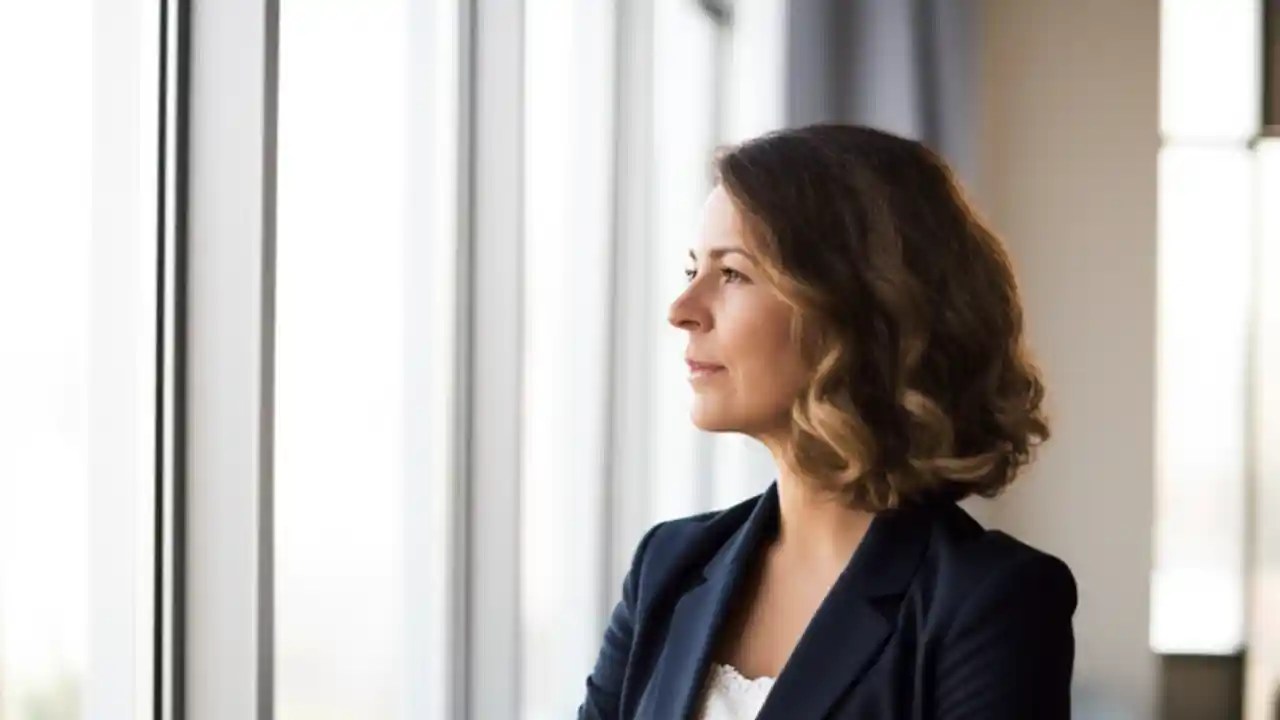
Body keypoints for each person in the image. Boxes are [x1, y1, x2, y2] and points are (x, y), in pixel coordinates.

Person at [577, 124, 1077, 720]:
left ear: (857, 309)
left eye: (732, 273)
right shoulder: (669, 564)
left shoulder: (991, 601)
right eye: (692, 271)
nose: (681, 310)